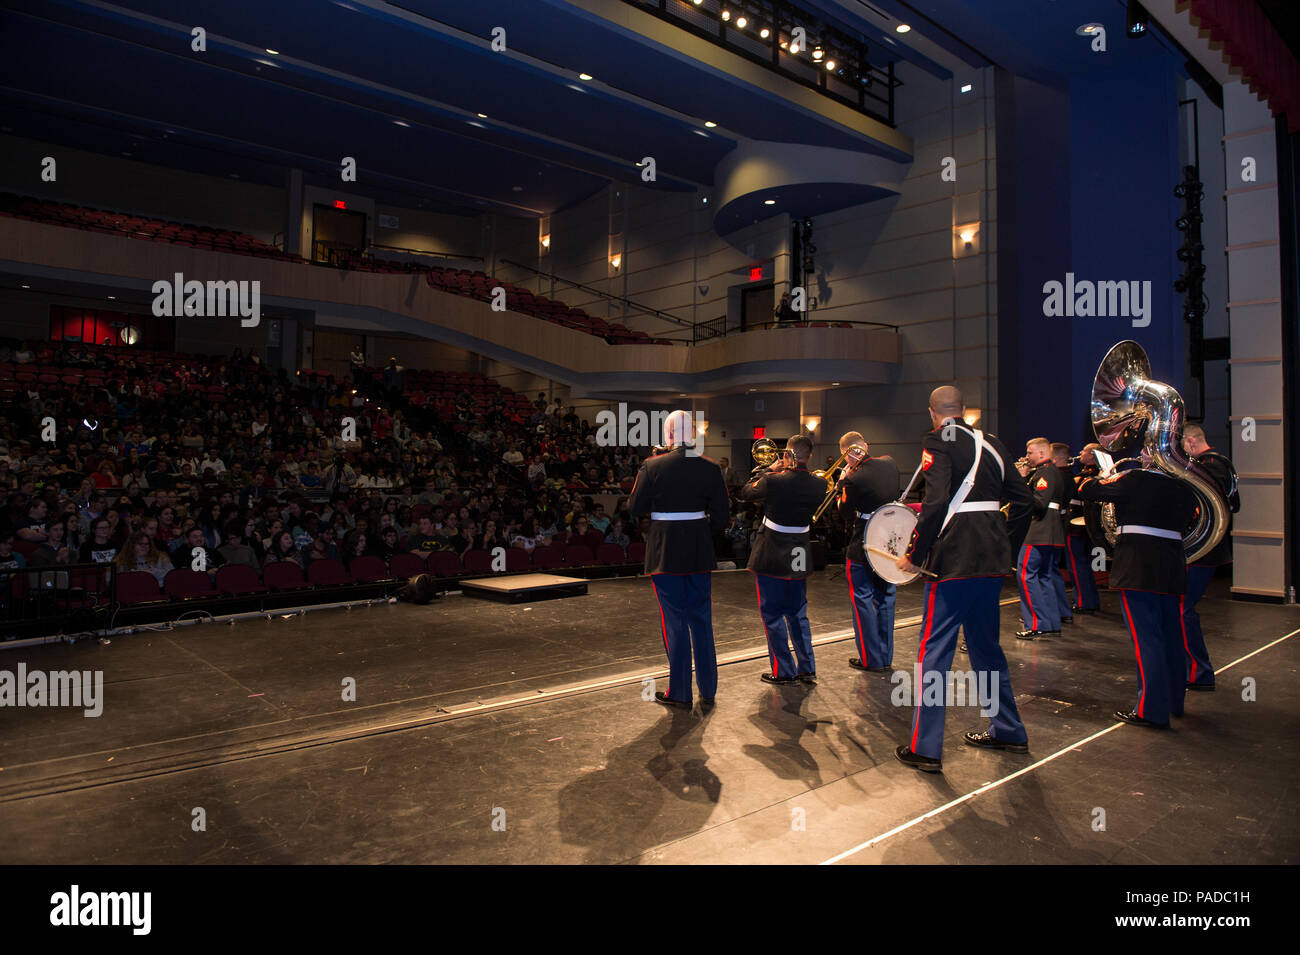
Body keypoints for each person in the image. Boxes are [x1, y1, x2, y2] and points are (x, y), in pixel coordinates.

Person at [894, 385, 1034, 773]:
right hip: (990, 558)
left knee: (934, 651)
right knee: (986, 648)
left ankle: (926, 748)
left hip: (953, 559)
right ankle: (1008, 728)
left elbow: (937, 502)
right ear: (965, 410)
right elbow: (1025, 502)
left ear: (932, 413)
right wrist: (1006, 545)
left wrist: (914, 553)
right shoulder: (992, 442)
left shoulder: (937, 441)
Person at [1078, 453, 1199, 726]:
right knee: (1171, 636)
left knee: (1147, 639)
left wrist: (1102, 474)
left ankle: (1151, 710)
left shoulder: (1135, 478)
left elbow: (1088, 491)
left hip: (1138, 565)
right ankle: (1174, 702)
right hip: (1172, 565)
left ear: (1152, 456)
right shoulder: (1186, 485)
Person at [628, 410, 729, 708]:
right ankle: (708, 688)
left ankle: (680, 691)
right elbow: (722, 516)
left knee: (675, 621)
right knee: (701, 619)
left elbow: (635, 507)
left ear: (668, 435)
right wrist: (701, 531)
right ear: (693, 434)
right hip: (698, 549)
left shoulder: (652, 465)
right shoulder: (710, 467)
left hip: (665, 549)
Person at [734, 435, 825, 683]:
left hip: (773, 550)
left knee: (773, 613)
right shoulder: (820, 484)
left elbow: (745, 493)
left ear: (787, 456)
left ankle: (784, 670)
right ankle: (807, 667)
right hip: (799, 550)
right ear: (810, 456)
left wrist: (769, 470)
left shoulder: (774, 481)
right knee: (798, 611)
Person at [836, 431, 901, 672]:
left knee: (862, 598)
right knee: (886, 596)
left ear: (846, 455)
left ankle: (869, 658)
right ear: (865, 446)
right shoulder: (890, 463)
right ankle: (885, 656)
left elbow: (844, 511)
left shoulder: (854, 477)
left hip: (865, 537)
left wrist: (843, 481)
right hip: (890, 537)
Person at [1180, 423, 1238, 691]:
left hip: (1203, 548)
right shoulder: (1216, 462)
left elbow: (1208, 501)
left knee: (1183, 609)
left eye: (1182, 448)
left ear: (1190, 443)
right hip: (1202, 547)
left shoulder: (1211, 464)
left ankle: (1198, 672)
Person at [1015, 437, 1065, 640]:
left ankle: (1037, 623)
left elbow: (1038, 504)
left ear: (1042, 454)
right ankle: (1050, 622)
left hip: (1038, 531)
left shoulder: (1044, 474)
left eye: (1030, 453)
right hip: (1050, 532)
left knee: (1026, 575)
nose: (1027, 457)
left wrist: (1020, 480)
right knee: (1044, 577)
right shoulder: (1050, 472)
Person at [1048, 442, 1075, 625]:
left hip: (1052, 525)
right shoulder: (1068, 476)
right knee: (1052, 571)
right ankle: (1063, 610)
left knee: (1045, 572)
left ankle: (1050, 614)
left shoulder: (1054, 475)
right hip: (1060, 524)